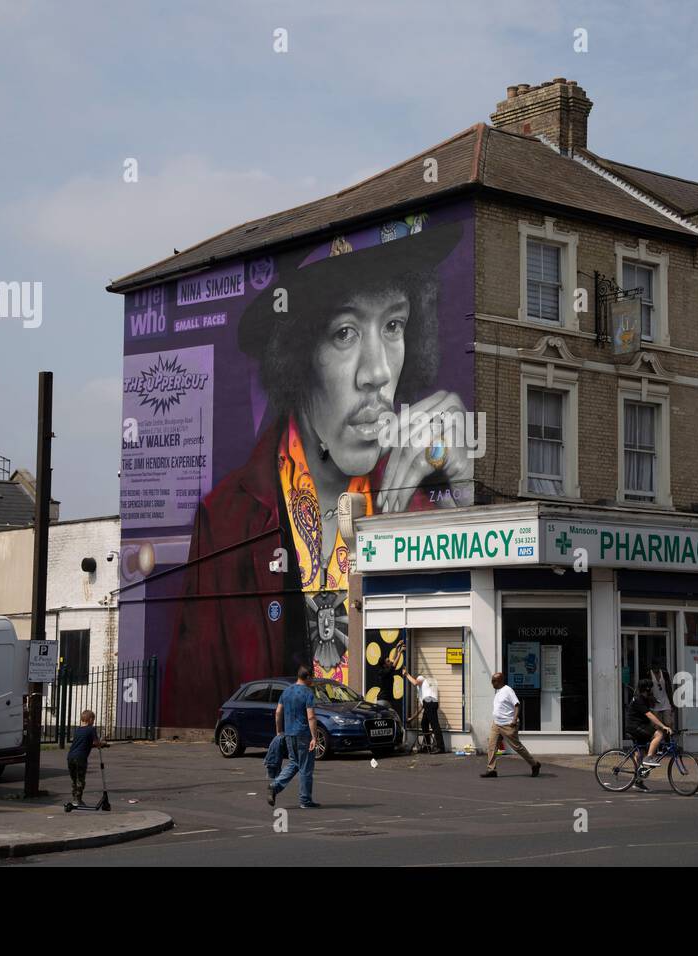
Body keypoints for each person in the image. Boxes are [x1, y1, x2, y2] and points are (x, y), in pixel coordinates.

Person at [161, 218, 469, 729]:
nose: (377, 372)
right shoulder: (227, 518)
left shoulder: (425, 494)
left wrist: (462, 499)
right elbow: (192, 710)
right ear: (297, 356)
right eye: (345, 333)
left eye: (393, 326)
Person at [268, 667, 321, 809]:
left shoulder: (286, 691)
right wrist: (314, 737)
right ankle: (305, 800)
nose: (312, 680)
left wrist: (279, 732)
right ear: (307, 677)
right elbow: (311, 716)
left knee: (294, 763)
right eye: (312, 677)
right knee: (305, 768)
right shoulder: (308, 693)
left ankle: (275, 785)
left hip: (289, 733)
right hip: (303, 733)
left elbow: (278, 712)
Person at [480, 672, 540, 778]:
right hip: (496, 724)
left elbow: (517, 705)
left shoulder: (508, 690)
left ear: (500, 681)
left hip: (508, 724)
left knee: (517, 747)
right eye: (492, 680)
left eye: (494, 681)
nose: (492, 683)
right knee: (491, 747)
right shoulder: (498, 692)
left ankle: (534, 764)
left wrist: (514, 719)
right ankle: (491, 770)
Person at [625, 678, 673, 790]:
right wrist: (663, 726)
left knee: (639, 754)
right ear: (646, 689)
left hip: (639, 726)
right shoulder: (638, 700)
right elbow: (650, 715)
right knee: (659, 734)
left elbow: (650, 712)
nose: (652, 690)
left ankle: (638, 781)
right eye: (650, 688)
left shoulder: (645, 698)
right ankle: (649, 757)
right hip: (635, 727)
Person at [67, 710, 106, 806]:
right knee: (80, 779)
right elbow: (96, 743)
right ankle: (78, 800)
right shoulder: (91, 729)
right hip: (80, 758)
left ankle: (74, 799)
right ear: (91, 719)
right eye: (94, 719)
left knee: (74, 779)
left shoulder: (78, 730)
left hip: (70, 757)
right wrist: (102, 743)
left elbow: (84, 743)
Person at [402, 666, 444, 753]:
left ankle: (440, 747)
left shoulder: (421, 679)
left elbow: (415, 682)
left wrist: (406, 674)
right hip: (428, 703)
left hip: (430, 702)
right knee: (424, 723)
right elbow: (421, 708)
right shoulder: (423, 692)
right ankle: (427, 746)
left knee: (435, 725)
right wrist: (411, 718)